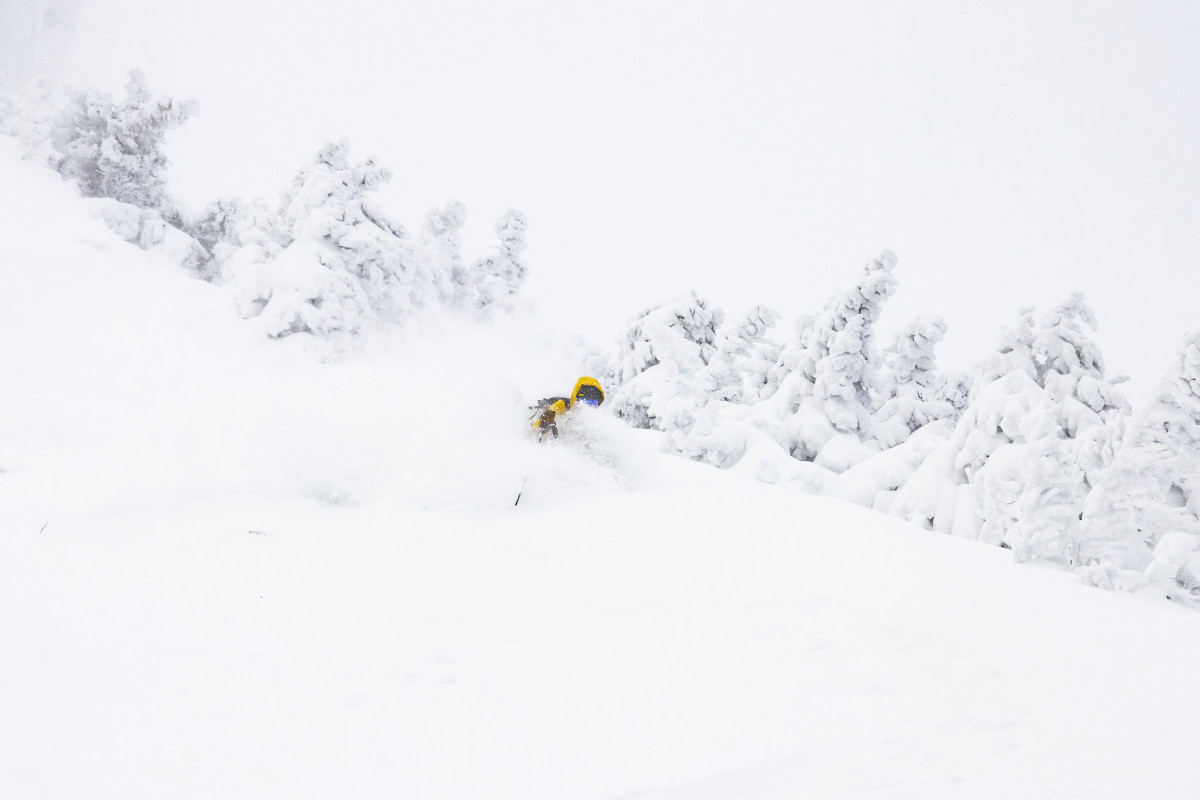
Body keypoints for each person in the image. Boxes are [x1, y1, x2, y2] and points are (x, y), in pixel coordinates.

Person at [530, 377, 605, 440]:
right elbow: (534, 431)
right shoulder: (561, 405)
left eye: (593, 403)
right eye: (585, 402)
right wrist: (542, 423)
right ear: (576, 399)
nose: (587, 407)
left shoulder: (598, 422)